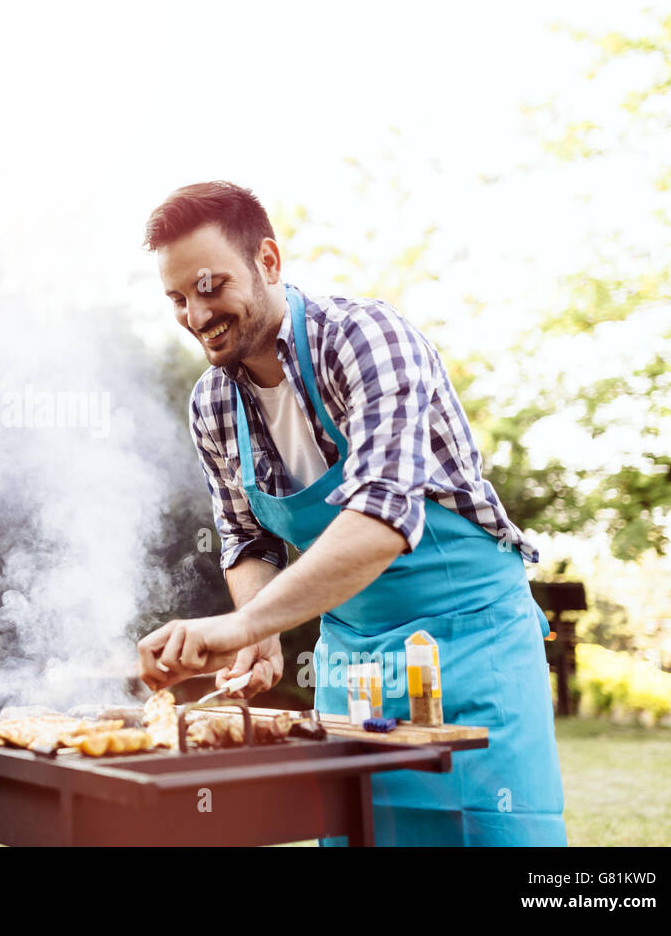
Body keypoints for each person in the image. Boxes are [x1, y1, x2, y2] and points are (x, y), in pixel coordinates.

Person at [136, 181, 566, 847]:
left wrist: (240, 623)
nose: (195, 314)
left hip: (473, 647)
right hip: (354, 668)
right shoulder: (212, 405)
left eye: (210, 286)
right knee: (361, 835)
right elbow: (246, 536)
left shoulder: (368, 339)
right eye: (177, 299)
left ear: (269, 262)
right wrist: (259, 636)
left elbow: (382, 521)